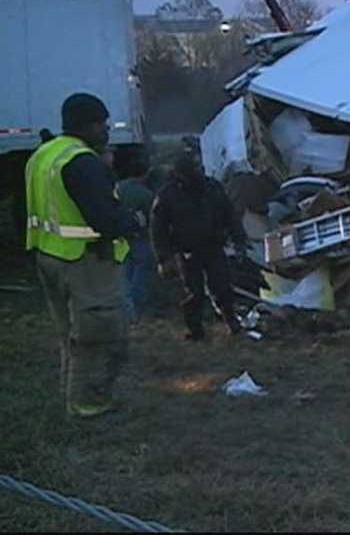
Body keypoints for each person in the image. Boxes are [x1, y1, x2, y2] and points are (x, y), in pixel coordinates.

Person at [25, 93, 144, 419]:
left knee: (72, 337)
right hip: (87, 263)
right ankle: (91, 407)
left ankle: (74, 400)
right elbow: (105, 220)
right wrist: (134, 220)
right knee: (99, 337)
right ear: (87, 126)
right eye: (102, 126)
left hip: (51, 257)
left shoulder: (44, 155)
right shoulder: (83, 162)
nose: (107, 133)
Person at [151, 148, 247, 340]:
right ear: (181, 173)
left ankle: (231, 321)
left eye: (200, 167)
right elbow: (158, 229)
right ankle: (195, 329)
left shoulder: (213, 188)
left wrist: (239, 241)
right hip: (185, 251)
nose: (199, 172)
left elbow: (230, 215)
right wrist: (164, 258)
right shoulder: (167, 195)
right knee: (192, 293)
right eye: (194, 168)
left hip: (214, 246)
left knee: (222, 286)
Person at [116, 153, 156, 324]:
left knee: (125, 273)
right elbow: (153, 219)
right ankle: (134, 311)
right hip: (140, 238)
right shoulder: (146, 194)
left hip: (120, 238)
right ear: (144, 174)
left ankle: (124, 308)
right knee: (141, 274)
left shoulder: (117, 188)